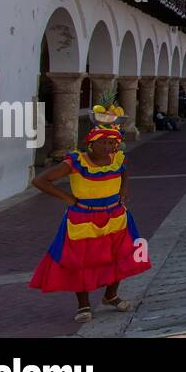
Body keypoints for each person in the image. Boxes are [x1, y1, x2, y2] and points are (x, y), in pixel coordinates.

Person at [29, 125, 151, 322]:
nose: (107, 146)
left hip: (116, 217)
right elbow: (41, 180)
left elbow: (123, 172)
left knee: (119, 256)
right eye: (102, 142)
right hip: (83, 219)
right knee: (82, 261)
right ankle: (83, 305)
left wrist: (123, 190)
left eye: (111, 142)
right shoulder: (76, 162)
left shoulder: (117, 158)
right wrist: (67, 198)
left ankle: (111, 295)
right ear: (91, 143)